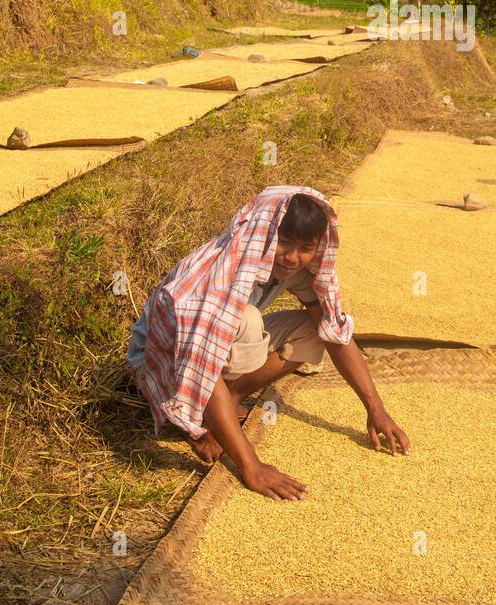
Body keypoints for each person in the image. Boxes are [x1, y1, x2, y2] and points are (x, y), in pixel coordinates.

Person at [126, 186, 410, 500]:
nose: (292, 257)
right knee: (247, 319)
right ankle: (204, 421)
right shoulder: (223, 274)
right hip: (162, 366)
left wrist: (376, 409)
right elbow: (198, 364)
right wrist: (252, 466)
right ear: (265, 234)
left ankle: (230, 399)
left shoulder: (294, 270)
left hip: (214, 350)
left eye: (306, 247)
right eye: (284, 242)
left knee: (315, 329)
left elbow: (335, 333)